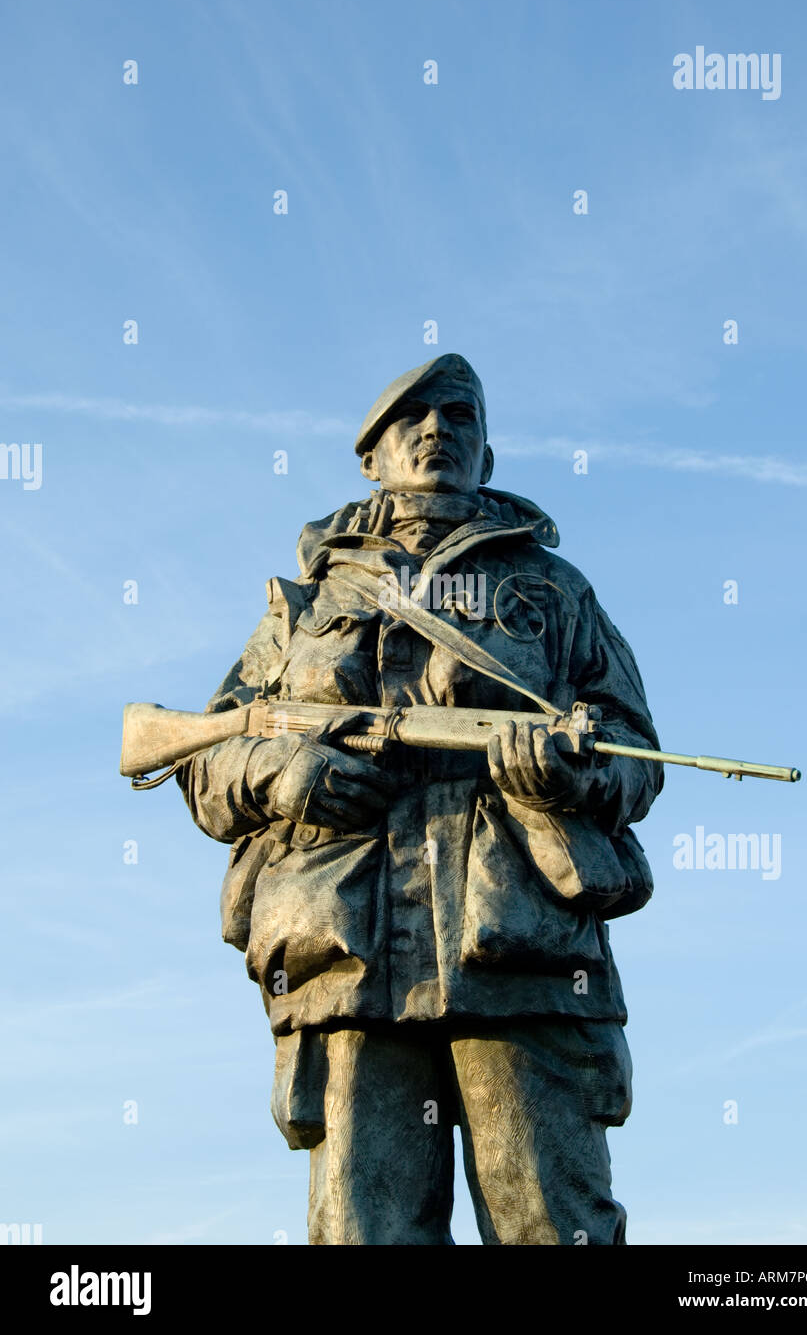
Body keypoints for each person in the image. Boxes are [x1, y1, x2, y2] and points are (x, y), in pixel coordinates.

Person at [177, 352, 663, 1245]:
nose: (438, 429)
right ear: (371, 458)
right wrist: (285, 774)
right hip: (345, 954)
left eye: (461, 417)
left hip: (522, 950)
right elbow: (205, 768)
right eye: (413, 418)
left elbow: (638, 758)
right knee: (367, 1230)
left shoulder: (553, 591)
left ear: (486, 452)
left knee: (553, 1225)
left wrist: (562, 772)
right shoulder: (305, 602)